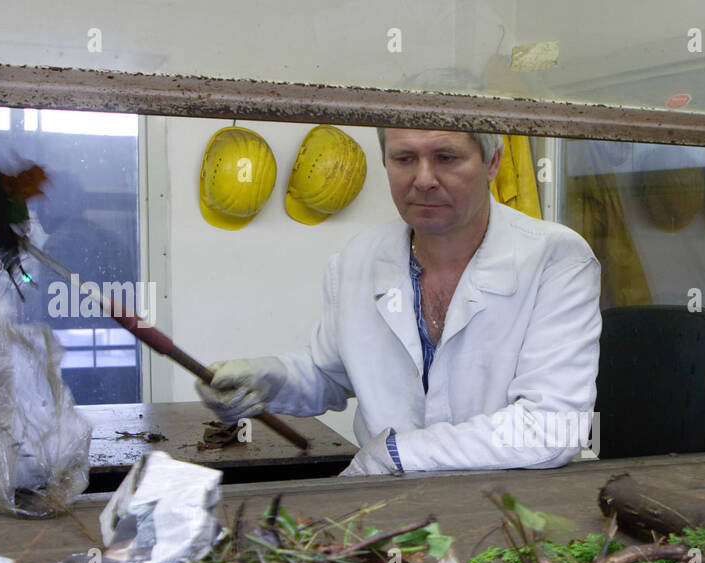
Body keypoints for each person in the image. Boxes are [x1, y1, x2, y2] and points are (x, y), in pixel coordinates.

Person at [196, 128, 602, 476]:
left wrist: (396, 454)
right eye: (404, 158)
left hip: (519, 507)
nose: (423, 179)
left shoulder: (557, 258)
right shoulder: (359, 258)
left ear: (492, 162)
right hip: (392, 511)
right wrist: (266, 379)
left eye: (446, 157)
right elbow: (331, 374)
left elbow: (552, 427)